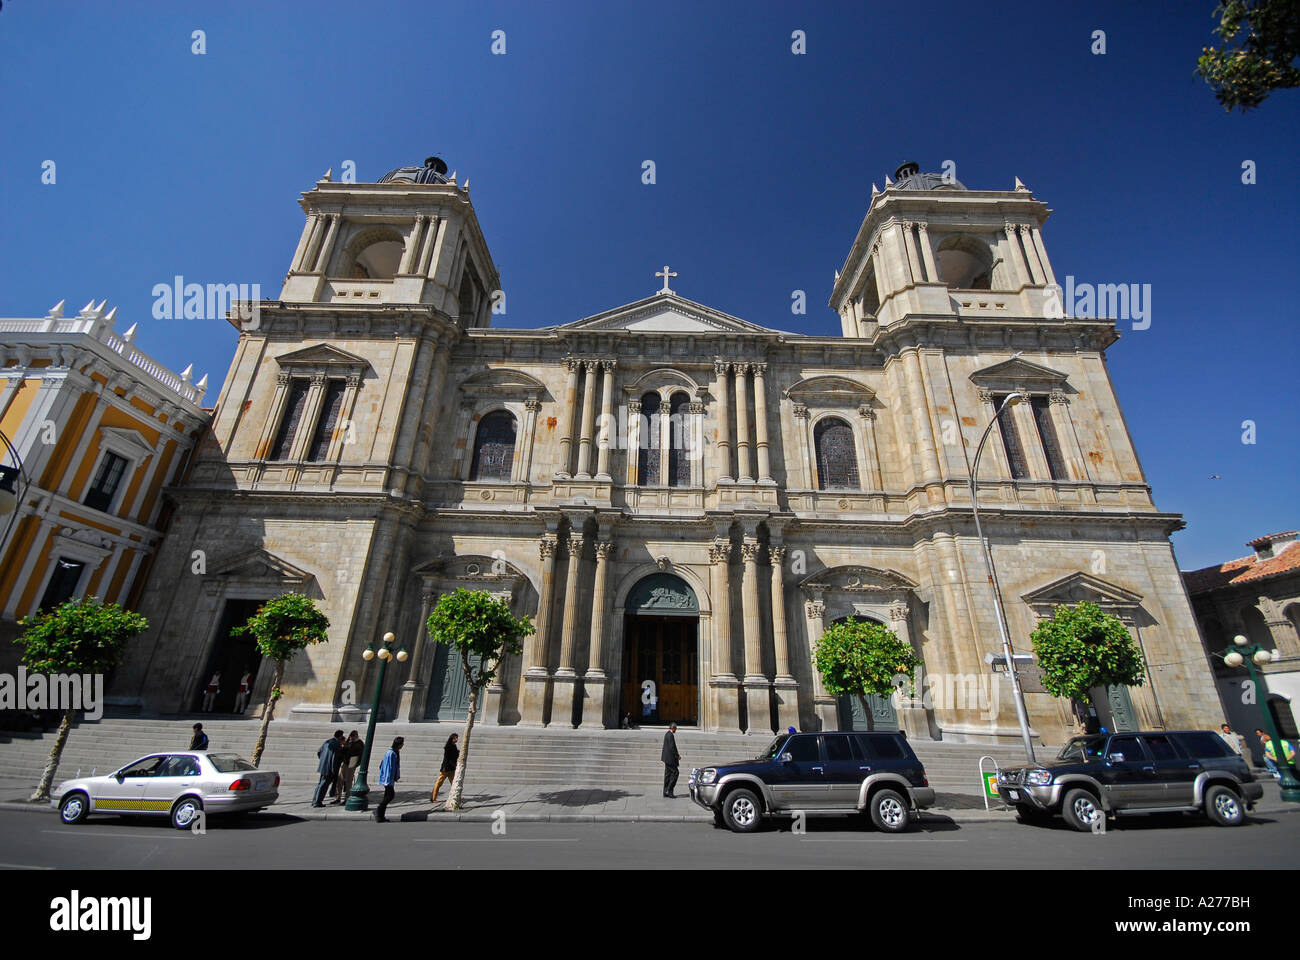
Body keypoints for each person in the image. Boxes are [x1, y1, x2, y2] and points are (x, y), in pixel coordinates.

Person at [313, 730, 344, 807]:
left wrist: (322, 760)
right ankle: (318, 802)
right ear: (340, 736)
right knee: (324, 785)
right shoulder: (336, 745)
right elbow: (334, 759)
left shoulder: (328, 742)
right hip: (329, 768)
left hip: (323, 766)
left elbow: (319, 752)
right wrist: (334, 770)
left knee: (320, 784)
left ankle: (314, 800)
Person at [375, 736, 403, 823]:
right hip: (388, 779)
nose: (402, 745)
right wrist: (388, 780)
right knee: (390, 795)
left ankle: (381, 816)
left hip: (390, 778)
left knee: (387, 796)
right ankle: (379, 810)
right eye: (402, 743)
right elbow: (388, 767)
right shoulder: (391, 753)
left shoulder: (395, 752)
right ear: (398, 744)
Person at [335, 730, 363, 804]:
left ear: (356, 736)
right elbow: (343, 751)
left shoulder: (359, 743)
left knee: (348, 781)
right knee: (339, 779)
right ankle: (338, 797)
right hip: (345, 762)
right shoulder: (348, 742)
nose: (352, 737)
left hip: (352, 763)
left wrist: (356, 764)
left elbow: (360, 754)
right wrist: (345, 745)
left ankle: (347, 798)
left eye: (353, 735)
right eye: (351, 735)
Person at [431, 733, 459, 803]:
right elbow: (448, 758)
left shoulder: (454, 746)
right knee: (439, 783)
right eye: (455, 738)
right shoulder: (448, 747)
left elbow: (455, 756)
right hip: (446, 768)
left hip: (452, 769)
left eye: (457, 738)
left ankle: (456, 796)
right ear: (452, 739)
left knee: (454, 783)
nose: (456, 739)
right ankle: (433, 798)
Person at [661, 723, 681, 798]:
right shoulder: (670, 735)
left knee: (668, 775)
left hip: (667, 758)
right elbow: (672, 747)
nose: (676, 730)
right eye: (675, 729)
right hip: (670, 759)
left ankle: (665, 791)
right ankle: (669, 790)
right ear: (673, 728)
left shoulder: (667, 734)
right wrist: (677, 756)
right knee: (675, 773)